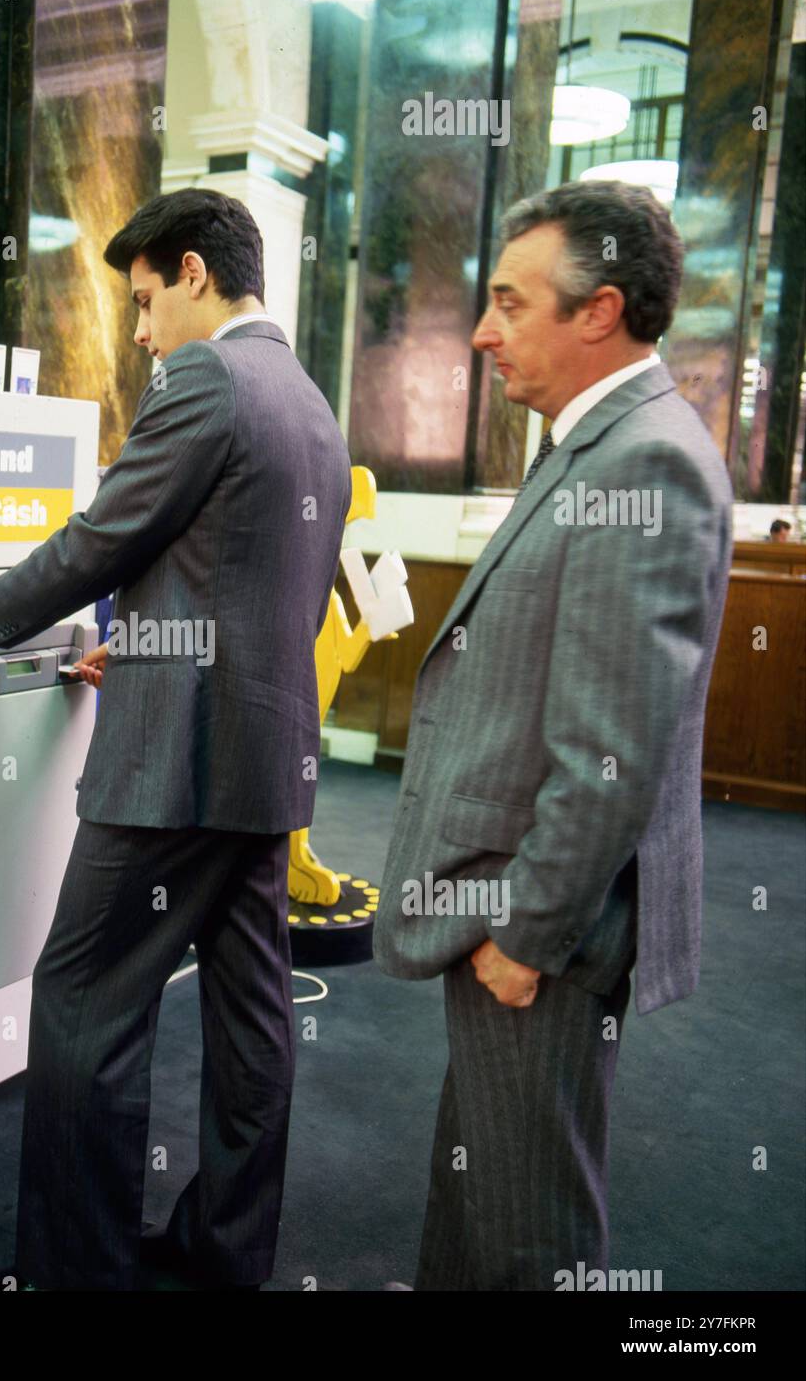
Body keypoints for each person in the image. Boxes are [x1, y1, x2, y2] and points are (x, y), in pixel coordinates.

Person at [0, 188, 351, 1289]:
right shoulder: (308, 397)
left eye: (146, 297)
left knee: (82, 1004)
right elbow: (264, 590)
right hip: (266, 760)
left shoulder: (206, 375)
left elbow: (105, 534)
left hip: (174, 773)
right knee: (252, 1022)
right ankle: (220, 1259)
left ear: (196, 275)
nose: (140, 327)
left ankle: (76, 1274)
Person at [373, 180, 733, 1290]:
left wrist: (526, 935)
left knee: (531, 1234)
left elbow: (611, 756)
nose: (481, 330)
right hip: (509, 898)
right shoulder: (596, 445)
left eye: (509, 303)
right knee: (479, 1187)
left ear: (600, 310)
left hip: (543, 926)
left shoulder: (647, 463)